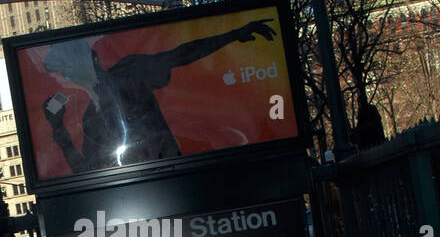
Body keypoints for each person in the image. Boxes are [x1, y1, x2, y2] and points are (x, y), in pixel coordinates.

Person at [41, 19, 278, 173]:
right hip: (141, 199)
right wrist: (58, 128)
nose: (62, 78)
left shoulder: (127, 73)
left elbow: (180, 55)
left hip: (174, 178)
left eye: (63, 71)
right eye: (59, 74)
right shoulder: (91, 117)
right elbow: (86, 172)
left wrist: (235, 34)